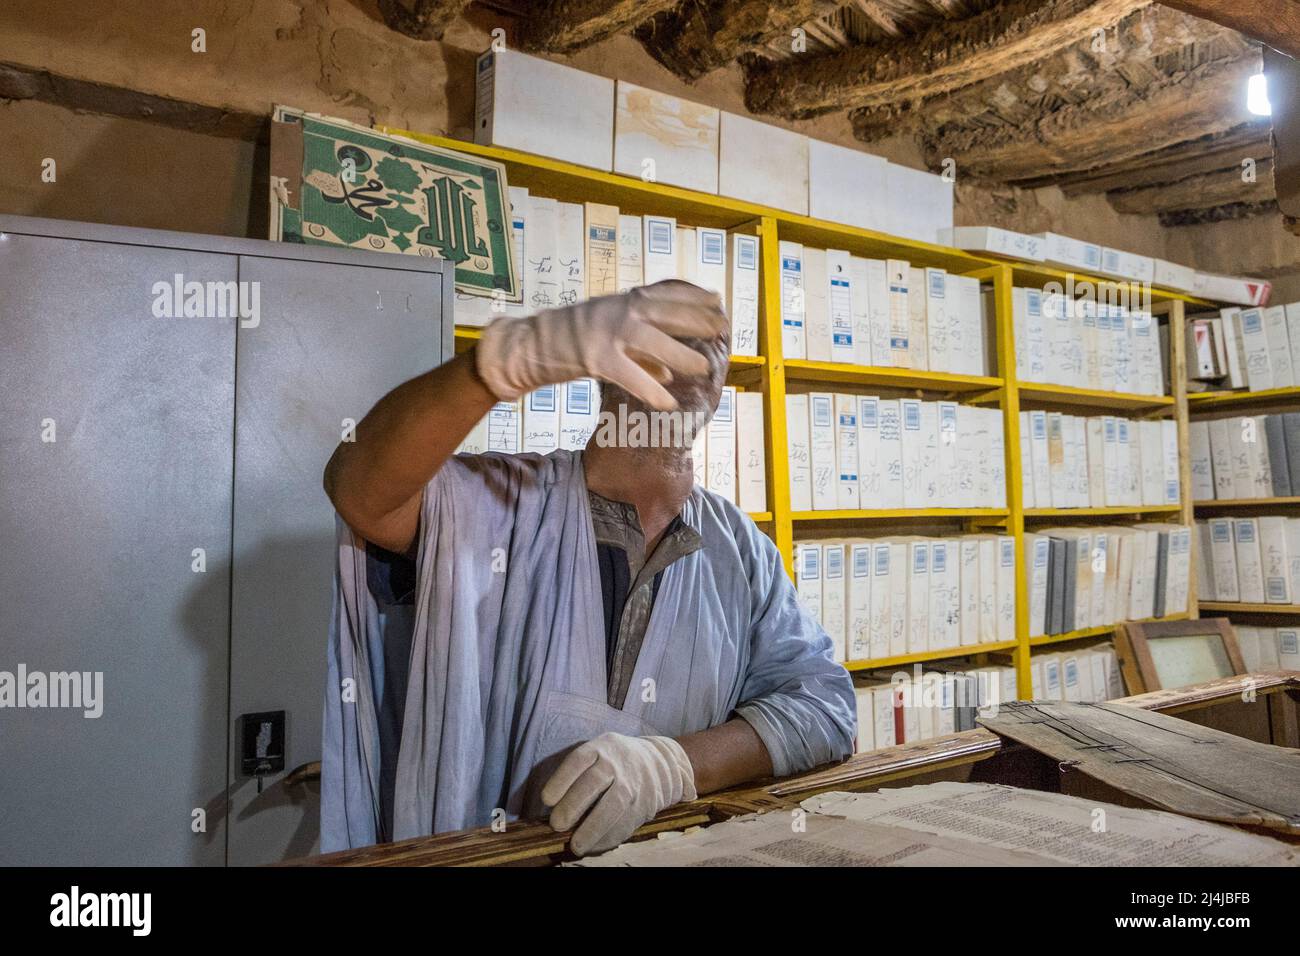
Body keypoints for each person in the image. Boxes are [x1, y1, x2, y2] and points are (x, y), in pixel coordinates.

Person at [321, 279, 854, 857]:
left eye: (713, 336)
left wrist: (674, 766)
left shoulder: (740, 551)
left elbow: (825, 707)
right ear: (604, 358)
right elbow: (360, 492)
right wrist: (495, 365)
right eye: (664, 328)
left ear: (723, 388)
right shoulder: (499, 505)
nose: (694, 348)